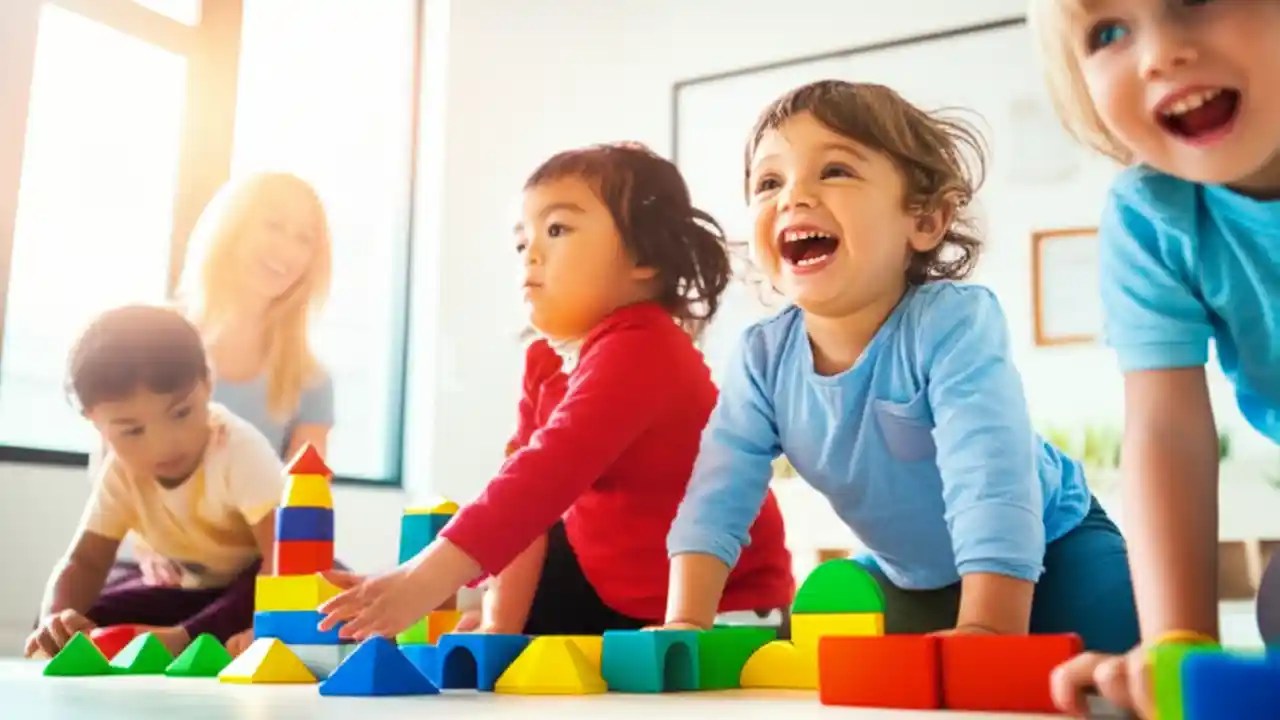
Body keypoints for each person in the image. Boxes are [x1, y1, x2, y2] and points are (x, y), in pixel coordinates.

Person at [661, 80, 1140, 655]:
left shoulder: (952, 324)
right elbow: (719, 491)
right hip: (911, 575)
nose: (793, 196)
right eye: (769, 182)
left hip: (1052, 546)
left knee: (1116, 663)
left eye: (835, 170)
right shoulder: (762, 358)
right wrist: (685, 623)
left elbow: (990, 473)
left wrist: (988, 628)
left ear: (926, 221)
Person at [317, 142, 795, 639]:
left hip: (726, 606)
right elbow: (526, 510)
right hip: (619, 596)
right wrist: (500, 627)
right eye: (522, 242)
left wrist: (421, 579)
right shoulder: (545, 362)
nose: (532, 254)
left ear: (644, 258)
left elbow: (542, 477)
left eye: (557, 229)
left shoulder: (644, 347)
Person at [1027, 1, 1280, 716]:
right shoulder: (1153, 215)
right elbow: (1166, 430)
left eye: (1194, 0)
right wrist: (1175, 649)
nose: (1159, 54)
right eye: (1108, 33)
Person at [25, 305, 283, 659]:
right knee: (85, 620)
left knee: (290, 585)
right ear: (94, 421)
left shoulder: (237, 449)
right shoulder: (121, 472)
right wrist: (55, 618)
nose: (163, 444)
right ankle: (180, 637)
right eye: (132, 430)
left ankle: (183, 640)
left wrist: (260, 624)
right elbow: (85, 561)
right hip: (188, 593)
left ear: (207, 383)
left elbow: (283, 555)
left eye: (180, 413)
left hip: (256, 586)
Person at [117, 172, 335, 589]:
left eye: (304, 238)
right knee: (78, 619)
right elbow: (116, 465)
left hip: (257, 566)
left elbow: (303, 498)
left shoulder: (312, 379)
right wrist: (148, 546)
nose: (286, 249)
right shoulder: (149, 339)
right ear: (231, 228)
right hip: (165, 562)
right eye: (273, 225)